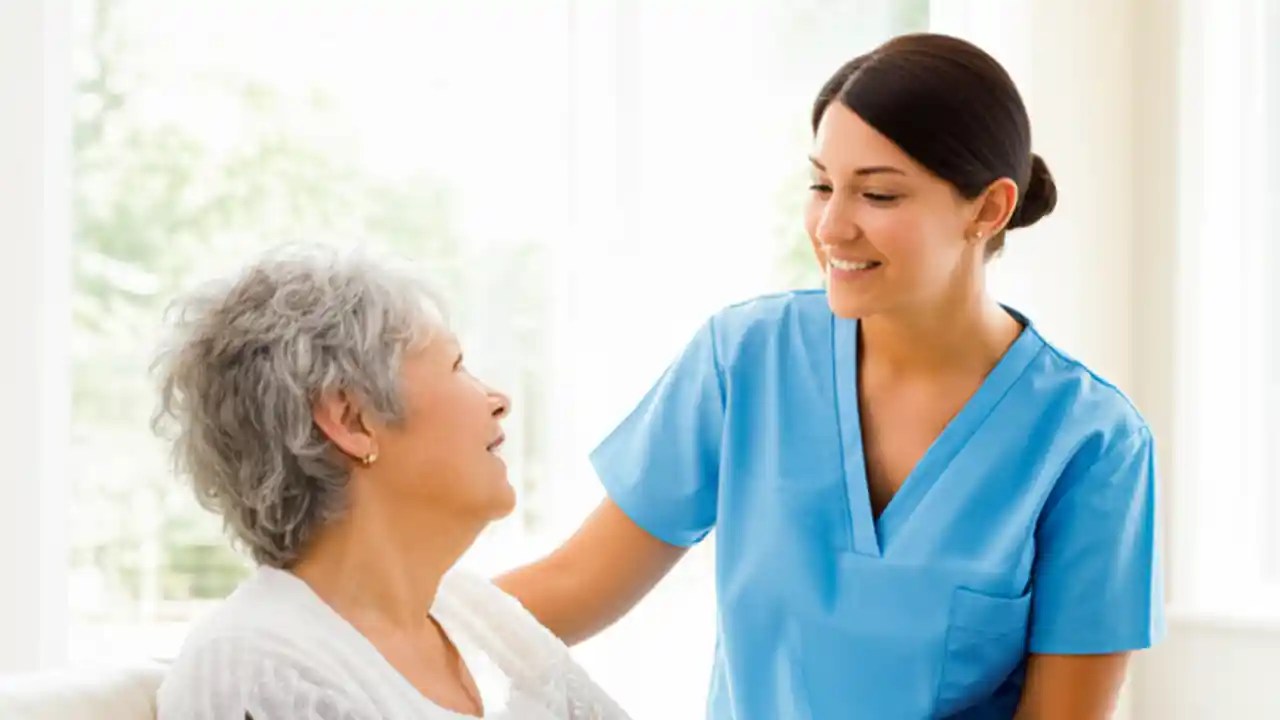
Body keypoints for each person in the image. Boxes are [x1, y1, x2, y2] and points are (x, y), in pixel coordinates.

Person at [498, 33, 1163, 719]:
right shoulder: (745, 361)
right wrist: (420, 624)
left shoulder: (1091, 444)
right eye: (821, 185)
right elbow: (575, 583)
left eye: (878, 194)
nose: (831, 227)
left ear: (988, 209)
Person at [153, 247, 629, 720]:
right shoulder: (251, 667)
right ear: (351, 420)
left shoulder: (477, 616)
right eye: (457, 365)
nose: (499, 400)